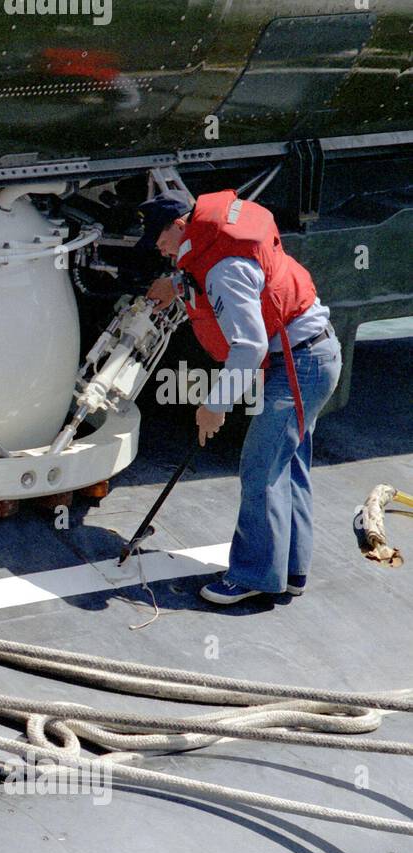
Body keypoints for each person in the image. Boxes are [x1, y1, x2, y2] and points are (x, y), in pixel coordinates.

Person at [140, 188, 341, 605]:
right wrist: (175, 283)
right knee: (288, 465)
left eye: (158, 237)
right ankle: (290, 571)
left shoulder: (223, 266)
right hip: (314, 356)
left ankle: (252, 576)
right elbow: (227, 277)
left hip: (298, 367)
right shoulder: (214, 245)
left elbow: (249, 346)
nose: (156, 247)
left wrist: (214, 406)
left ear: (181, 225)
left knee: (260, 469)